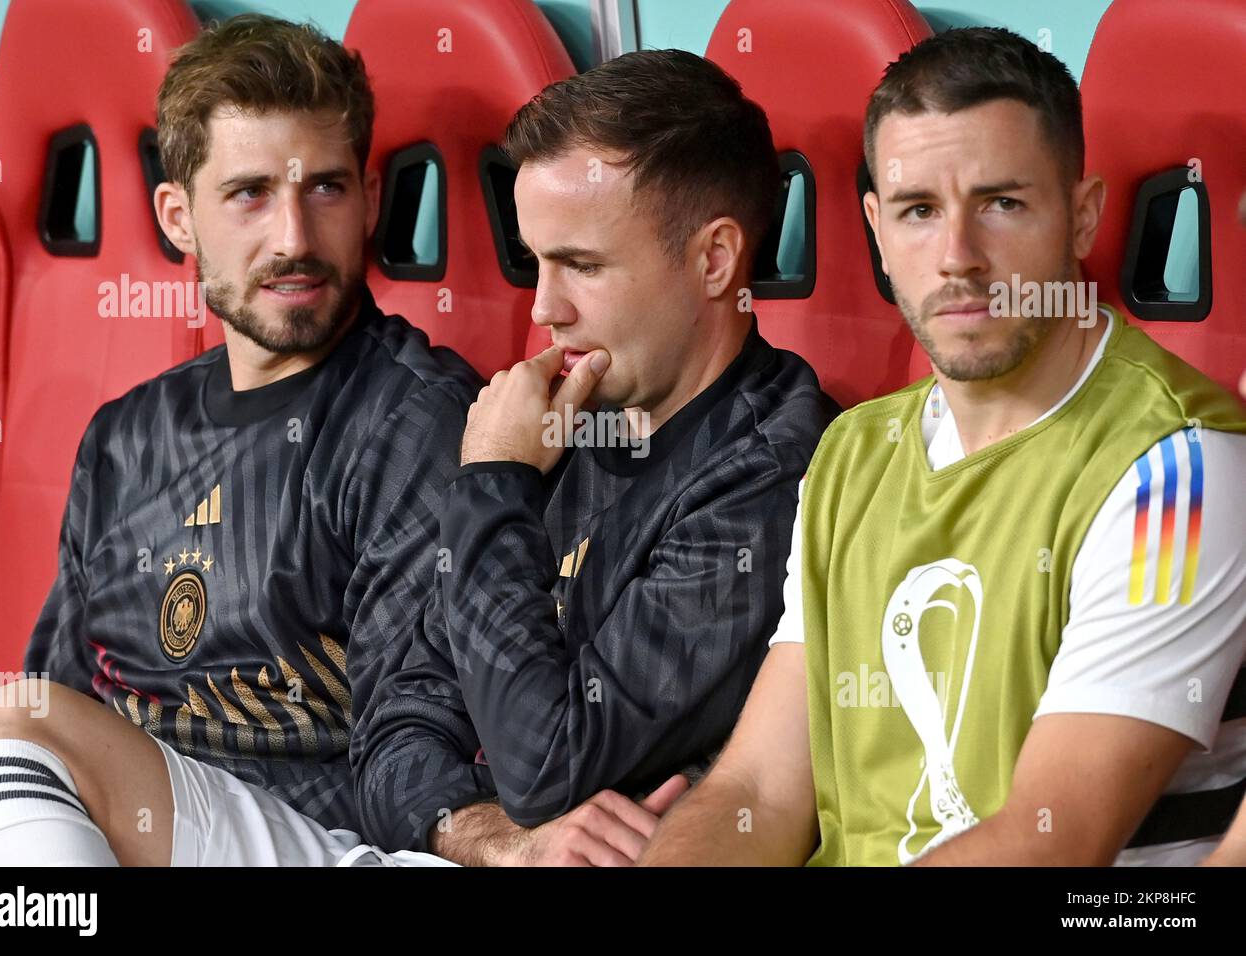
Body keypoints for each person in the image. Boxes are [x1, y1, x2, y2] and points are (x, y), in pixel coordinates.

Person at [639, 27, 1246, 867]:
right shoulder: (852, 454)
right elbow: (757, 790)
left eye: (1001, 203)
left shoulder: (1179, 469)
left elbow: (1052, 841)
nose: (958, 258)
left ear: (1082, 215)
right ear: (877, 232)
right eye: (920, 211)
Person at [0, 15, 476, 867]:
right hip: (132, 831)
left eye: (327, 189)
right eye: (250, 194)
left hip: (334, 845)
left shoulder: (421, 424)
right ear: (179, 215)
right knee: (13, 728)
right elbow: (58, 718)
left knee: (13, 720)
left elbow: (413, 759)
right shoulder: (125, 439)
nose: (295, 239)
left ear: (371, 200)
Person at [351, 49, 840, 865]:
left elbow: (550, 766)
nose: (544, 307)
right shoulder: (561, 422)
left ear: (715, 260)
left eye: (581, 264)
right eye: (535, 260)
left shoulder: (770, 476)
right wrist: (500, 843)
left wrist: (493, 485)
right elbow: (387, 736)